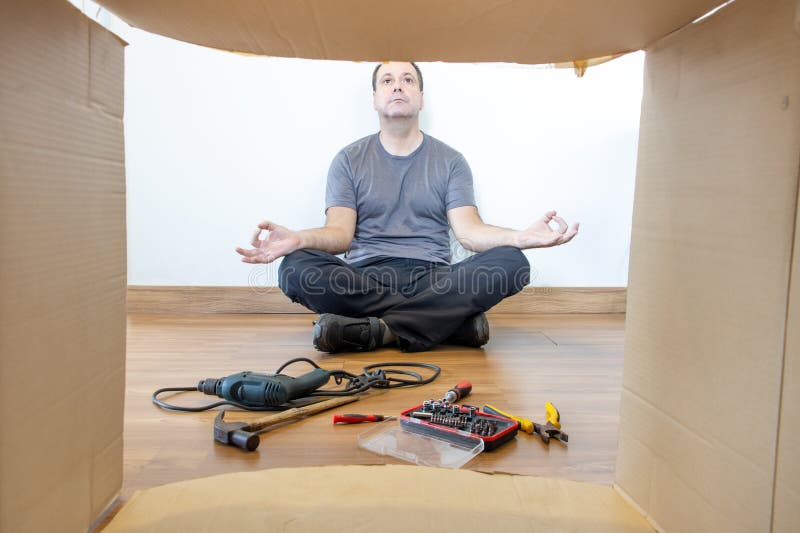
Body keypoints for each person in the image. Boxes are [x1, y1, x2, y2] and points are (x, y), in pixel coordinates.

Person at [236, 61, 578, 353]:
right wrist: (298, 239)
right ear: (374, 98)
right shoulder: (348, 160)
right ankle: (450, 324)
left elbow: (470, 233)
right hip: (365, 278)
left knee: (512, 263)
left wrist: (520, 238)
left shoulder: (451, 161)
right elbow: (339, 234)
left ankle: (376, 329)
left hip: (434, 279)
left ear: (421, 97)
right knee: (295, 268)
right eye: (387, 80)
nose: (398, 86)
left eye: (408, 80)